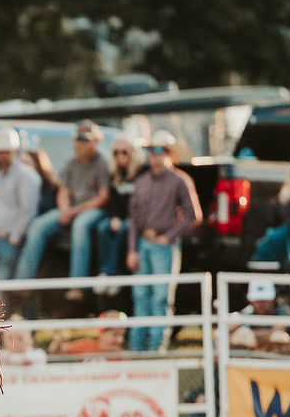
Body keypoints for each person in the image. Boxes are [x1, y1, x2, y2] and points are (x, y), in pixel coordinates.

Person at [13, 121, 110, 301]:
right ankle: (23, 280)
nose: (81, 144)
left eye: (86, 140)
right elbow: (63, 192)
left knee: (81, 225)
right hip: (71, 209)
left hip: (94, 211)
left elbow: (102, 197)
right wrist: (65, 210)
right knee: (38, 225)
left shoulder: (102, 162)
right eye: (78, 139)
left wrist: (72, 212)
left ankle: (76, 285)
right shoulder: (71, 163)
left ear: (95, 141)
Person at [124, 132, 201, 352]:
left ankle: (157, 348)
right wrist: (132, 249)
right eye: (152, 151)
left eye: (161, 151)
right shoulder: (141, 182)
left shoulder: (180, 180)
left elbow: (192, 215)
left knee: (160, 297)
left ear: (169, 154)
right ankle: (137, 349)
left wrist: (169, 235)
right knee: (140, 296)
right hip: (143, 242)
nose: (155, 157)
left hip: (164, 244)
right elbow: (133, 220)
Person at [0, 127, 40, 279]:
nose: (2, 156)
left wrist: (15, 237)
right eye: (0, 152)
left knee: (0, 282)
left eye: (6, 152)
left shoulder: (27, 176)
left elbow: (27, 209)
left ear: (15, 152)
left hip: (10, 240)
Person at [79, 136, 140, 286]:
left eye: (124, 152)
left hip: (137, 217)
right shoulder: (115, 174)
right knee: (103, 228)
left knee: (123, 229)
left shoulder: (141, 172)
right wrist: (115, 217)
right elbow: (114, 202)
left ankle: (113, 273)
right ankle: (105, 273)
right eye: (116, 153)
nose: (120, 156)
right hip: (121, 216)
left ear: (132, 153)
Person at [48, 311, 128, 357]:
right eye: (115, 335)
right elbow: (54, 351)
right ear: (102, 333)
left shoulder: (122, 356)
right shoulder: (86, 345)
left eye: (122, 335)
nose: (120, 340)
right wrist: (58, 340)